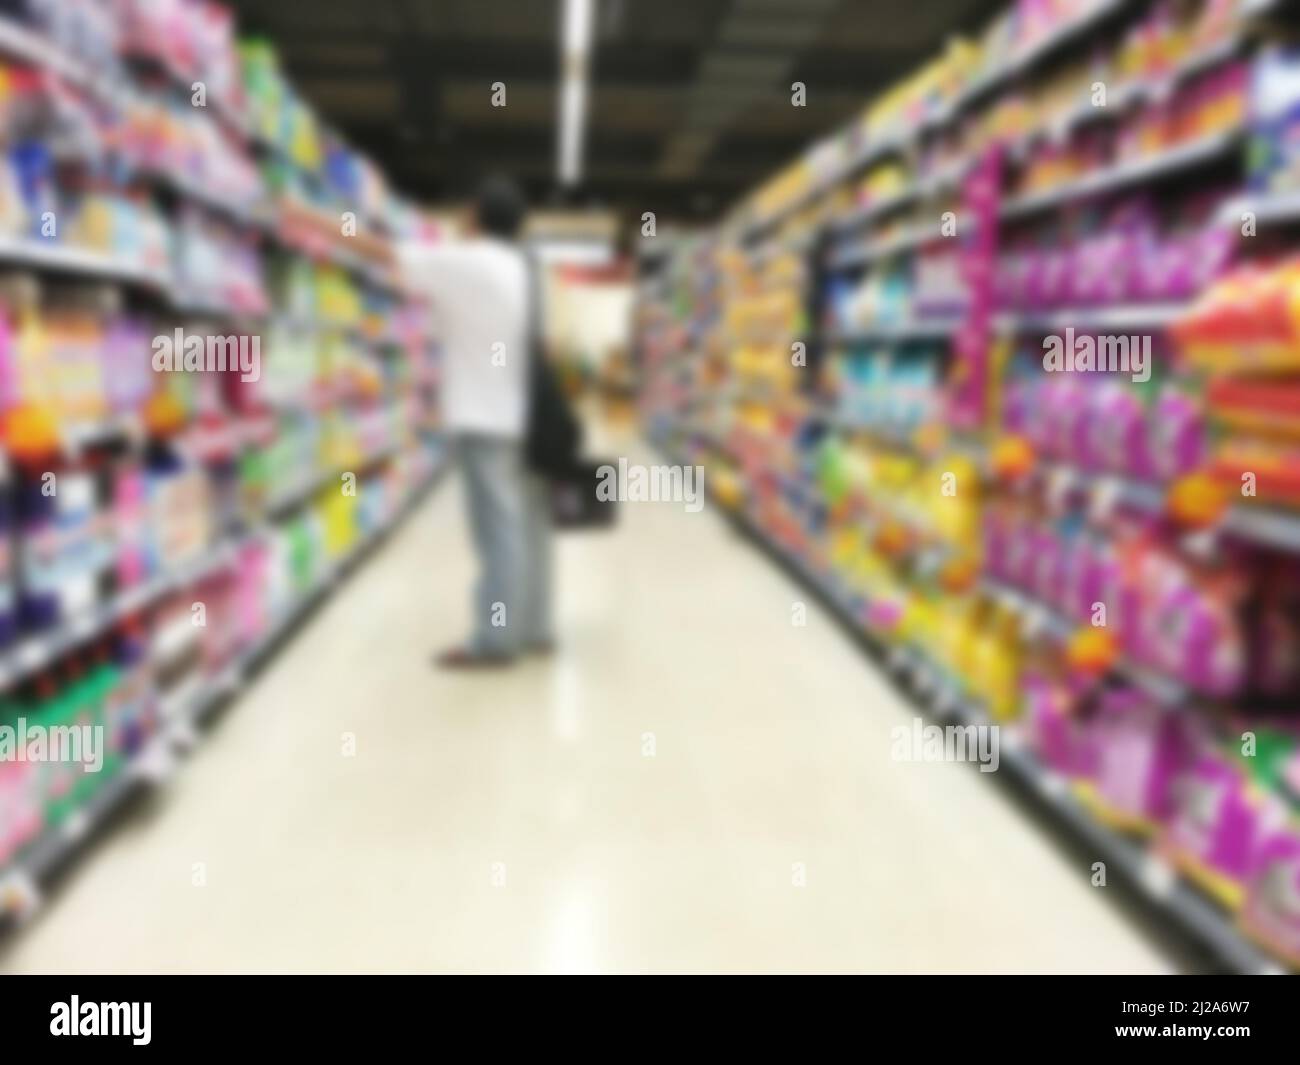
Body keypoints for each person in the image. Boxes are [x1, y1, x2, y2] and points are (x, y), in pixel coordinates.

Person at [399, 175, 553, 668]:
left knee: (497, 534)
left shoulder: (469, 261)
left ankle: (496, 640)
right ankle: (535, 628)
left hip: (484, 417)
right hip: (528, 416)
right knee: (528, 527)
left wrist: (305, 217)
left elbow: (384, 253)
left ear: (477, 215)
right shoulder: (525, 268)